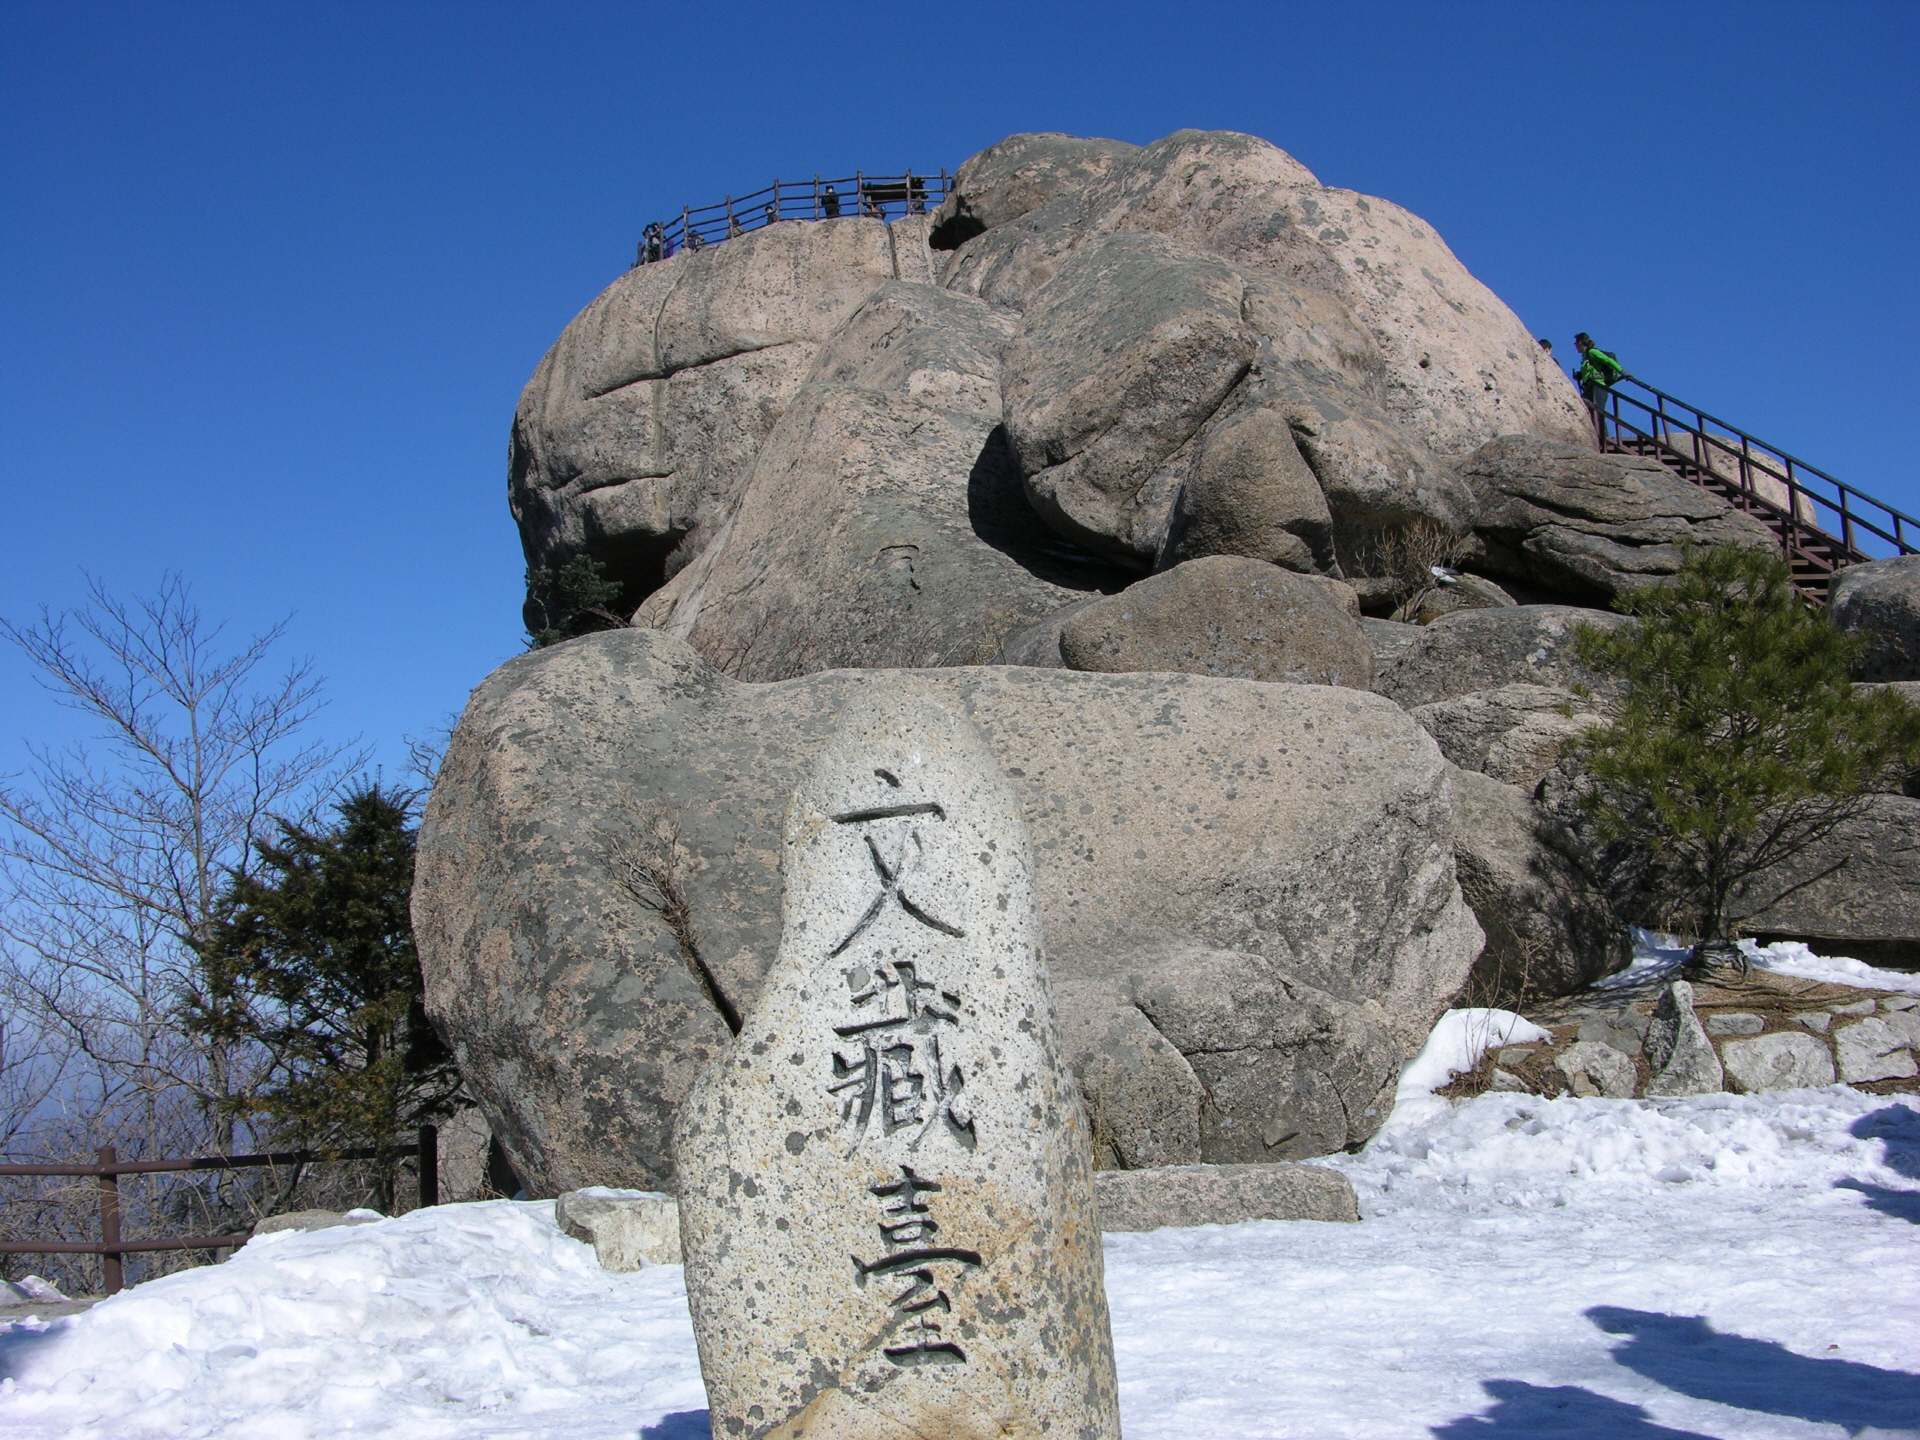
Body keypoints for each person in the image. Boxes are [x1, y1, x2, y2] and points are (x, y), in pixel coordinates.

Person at [1573, 333, 1625, 405]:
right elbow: (1589, 372)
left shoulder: (1592, 352)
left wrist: (1622, 371)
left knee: (1598, 413)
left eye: (1575, 343)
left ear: (1580, 342)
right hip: (1589, 388)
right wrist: (1580, 375)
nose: (1575, 346)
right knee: (1592, 413)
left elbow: (1608, 360)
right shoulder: (1585, 356)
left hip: (1598, 386)